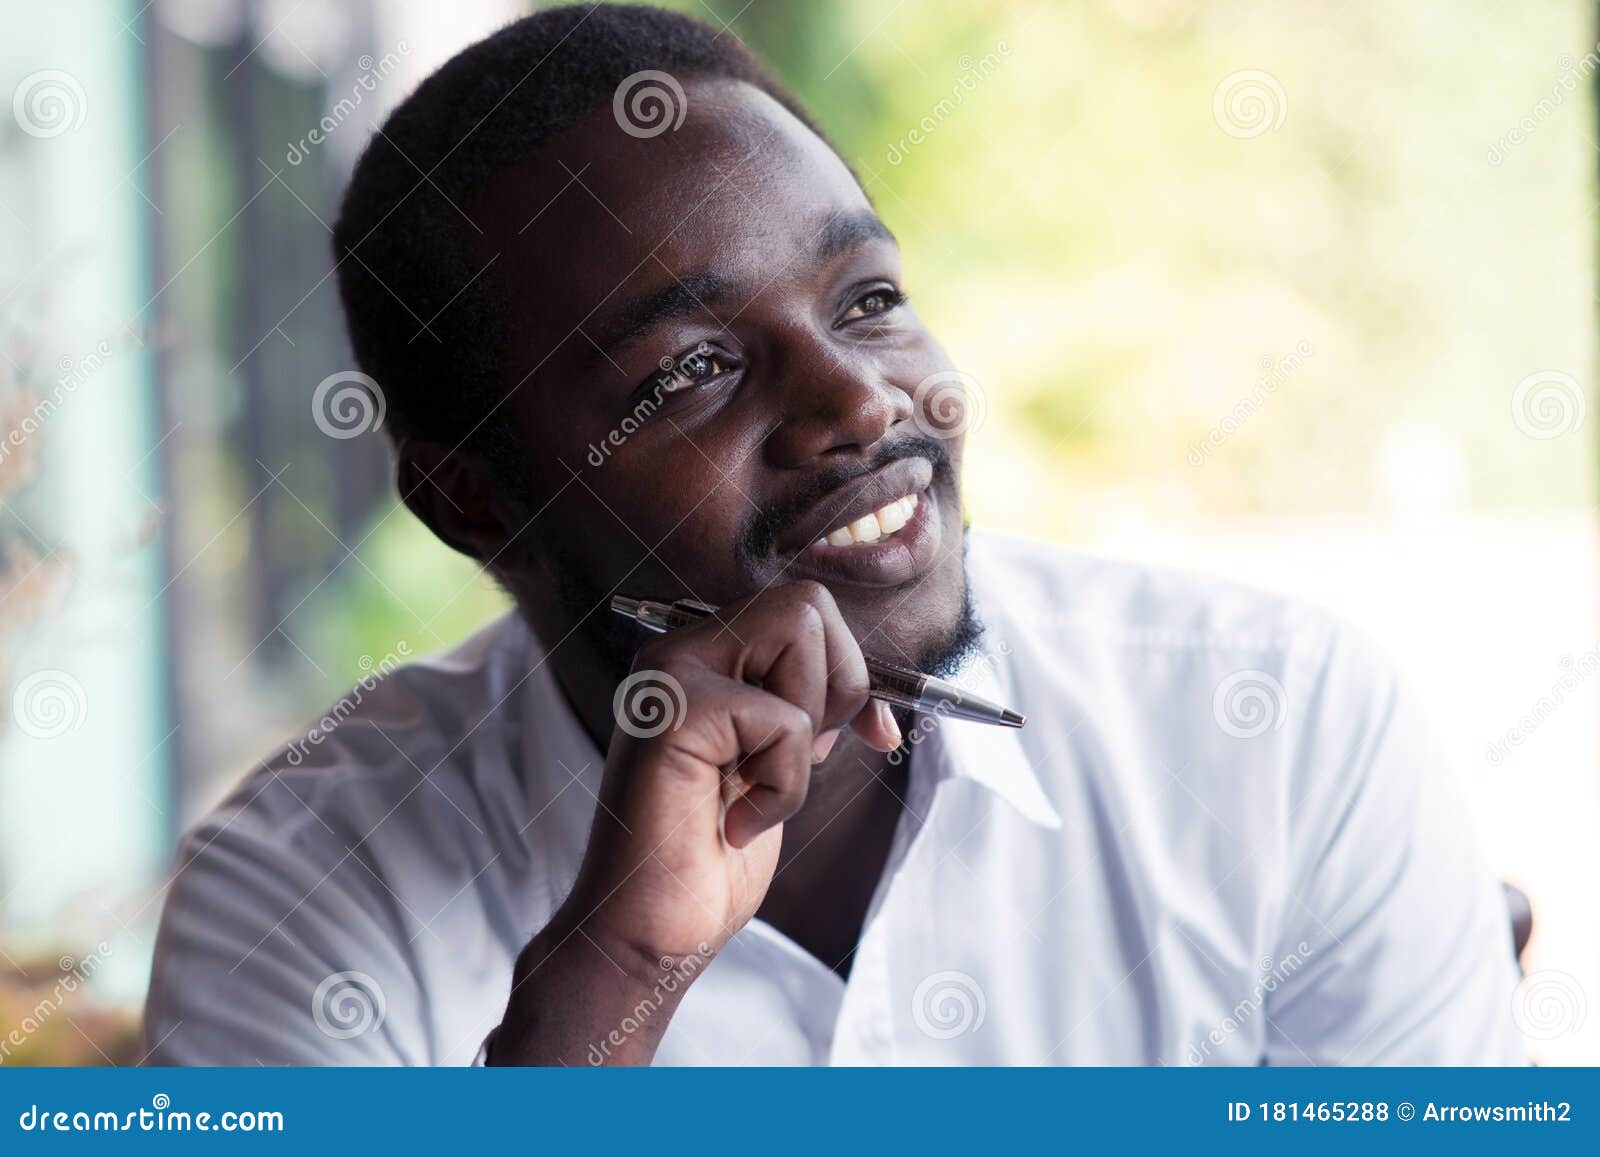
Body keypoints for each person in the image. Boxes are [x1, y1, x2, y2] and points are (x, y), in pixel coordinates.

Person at [142, 2, 1525, 1066]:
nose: (864, 400)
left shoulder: (1281, 734)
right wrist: (611, 982)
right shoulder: (305, 898)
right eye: (690, 372)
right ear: (477, 499)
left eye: (866, 300)